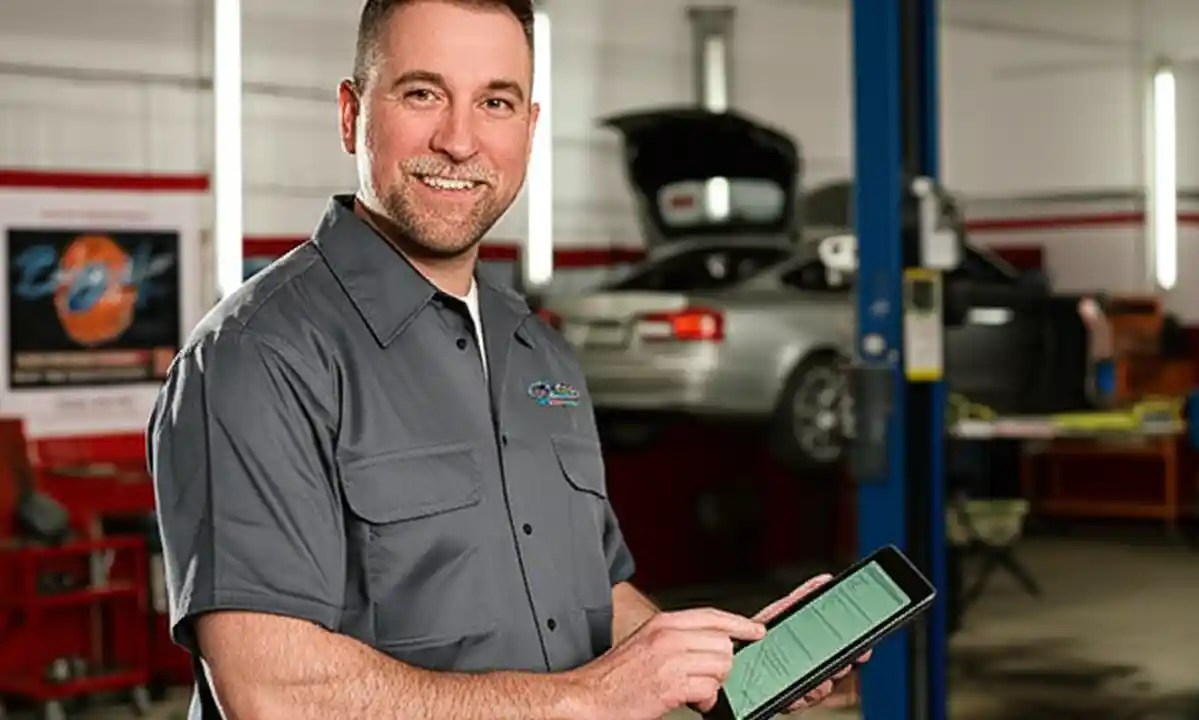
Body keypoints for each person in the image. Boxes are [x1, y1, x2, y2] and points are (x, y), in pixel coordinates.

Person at [147, 1, 865, 717]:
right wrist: (590, 699)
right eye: (423, 93)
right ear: (351, 114)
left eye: (496, 101)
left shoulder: (539, 351)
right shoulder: (255, 358)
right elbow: (272, 693)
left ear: (529, 127)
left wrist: (730, 669)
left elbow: (593, 591)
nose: (460, 141)